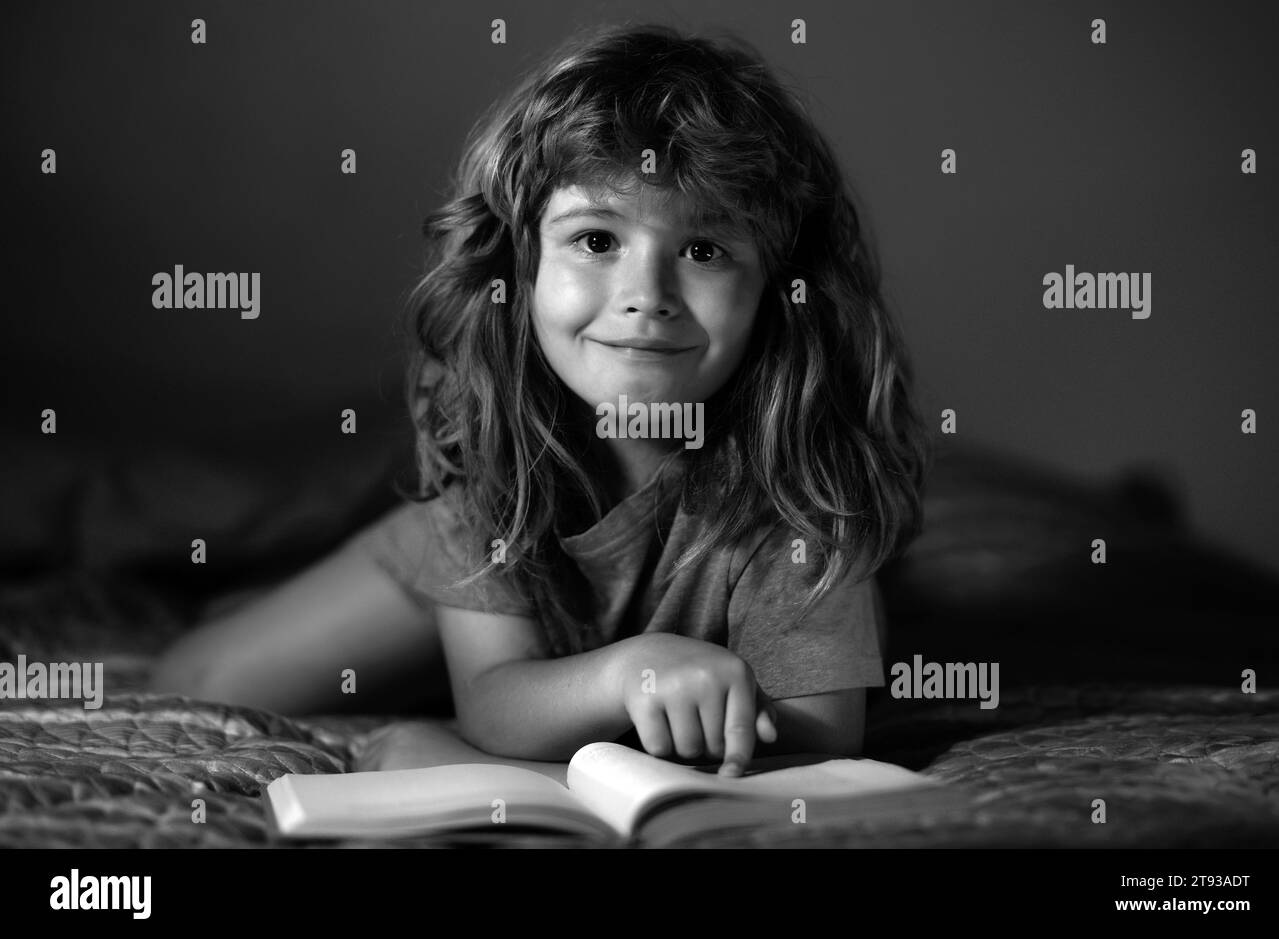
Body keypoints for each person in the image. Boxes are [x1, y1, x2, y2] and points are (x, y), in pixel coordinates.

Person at [151, 22, 931, 778]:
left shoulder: (806, 490)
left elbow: (825, 749)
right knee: (198, 678)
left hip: (596, 599)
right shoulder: (495, 448)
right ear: (518, 267)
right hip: (481, 564)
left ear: (778, 290)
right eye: (597, 239)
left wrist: (481, 757)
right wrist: (626, 673)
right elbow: (493, 698)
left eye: (704, 250)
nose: (645, 297)